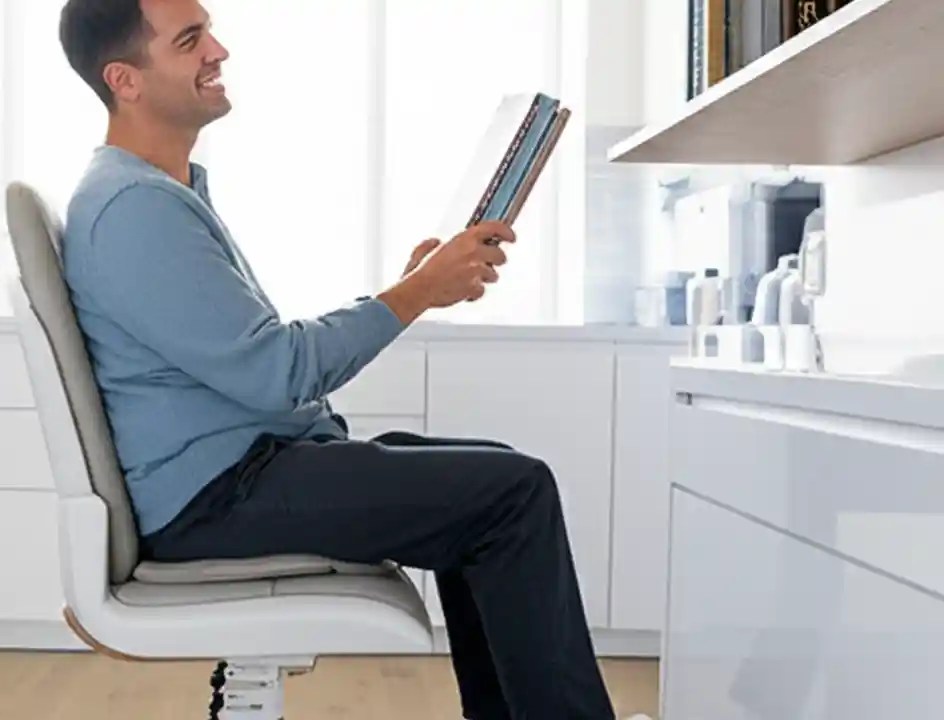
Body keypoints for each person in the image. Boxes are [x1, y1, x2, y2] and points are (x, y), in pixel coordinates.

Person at [56, 0, 619, 717]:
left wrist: (414, 288)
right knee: (512, 492)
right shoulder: (134, 208)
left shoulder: (154, 196)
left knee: (495, 476)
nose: (218, 51)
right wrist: (416, 294)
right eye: (190, 40)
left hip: (236, 473)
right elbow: (278, 372)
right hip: (218, 495)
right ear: (124, 80)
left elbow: (255, 363)